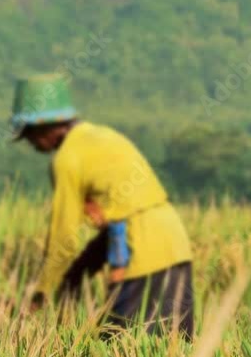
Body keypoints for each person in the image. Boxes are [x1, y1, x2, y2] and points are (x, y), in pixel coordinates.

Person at [11, 74, 195, 338]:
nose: (31, 143)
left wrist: (42, 292)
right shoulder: (105, 136)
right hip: (175, 246)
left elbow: (64, 237)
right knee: (175, 348)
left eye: (30, 134)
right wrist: (76, 275)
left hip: (141, 253)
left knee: (120, 349)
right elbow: (123, 219)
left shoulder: (66, 159)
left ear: (47, 128)